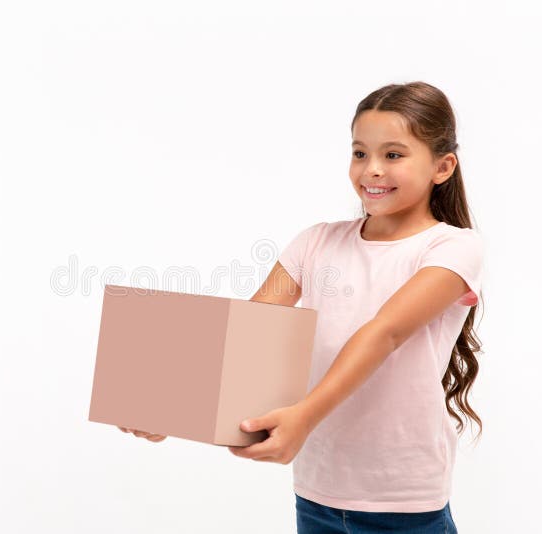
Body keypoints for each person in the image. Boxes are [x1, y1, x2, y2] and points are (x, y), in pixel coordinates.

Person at [122, 81, 484, 534]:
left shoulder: (453, 248)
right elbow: (248, 334)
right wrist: (171, 406)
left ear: (442, 166)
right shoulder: (317, 242)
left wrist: (304, 418)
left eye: (393, 155)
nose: (371, 170)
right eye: (359, 153)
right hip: (318, 492)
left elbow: (384, 333)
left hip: (404, 501)